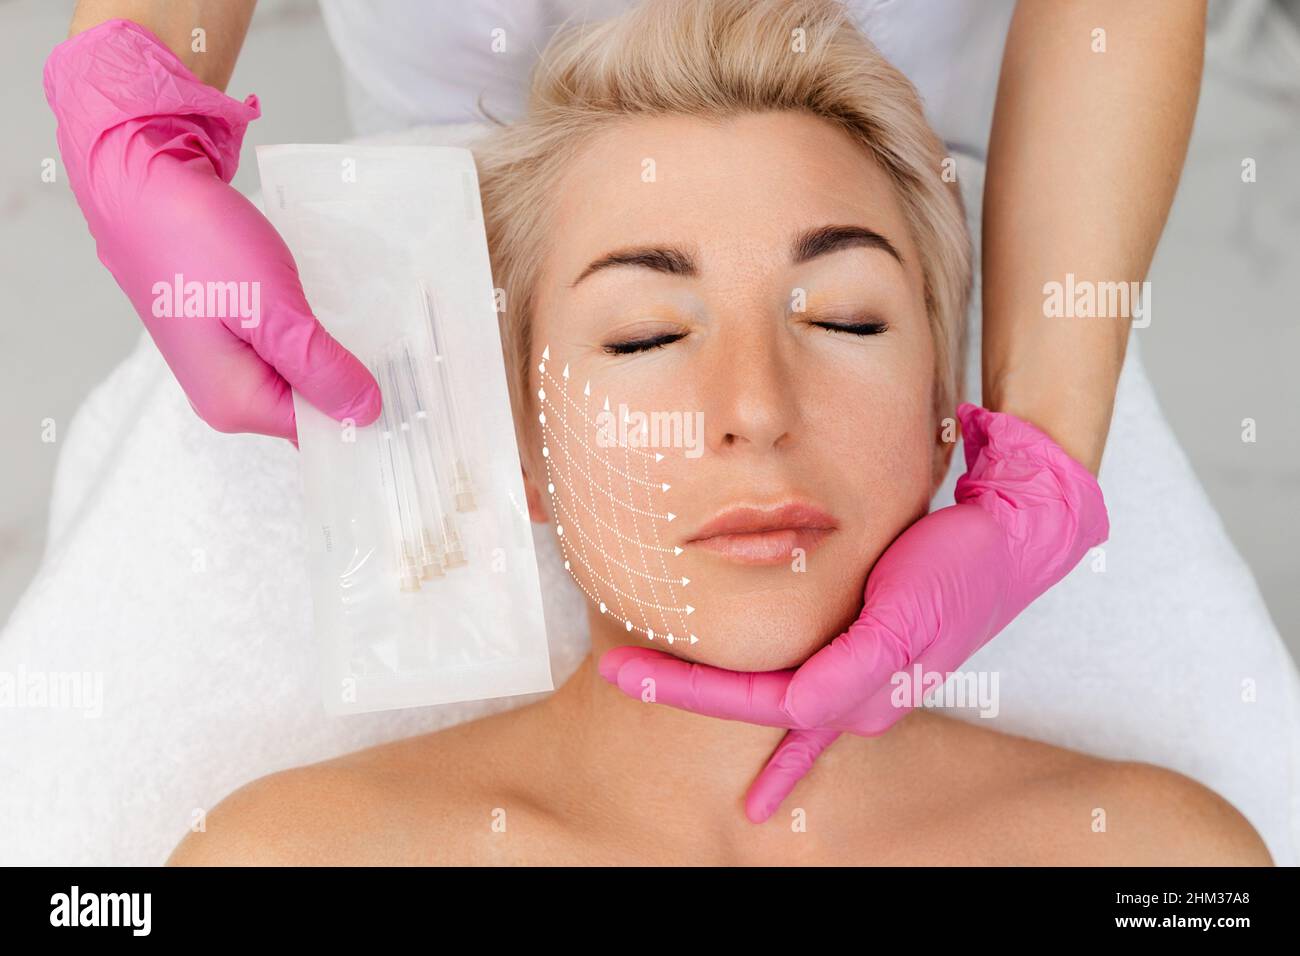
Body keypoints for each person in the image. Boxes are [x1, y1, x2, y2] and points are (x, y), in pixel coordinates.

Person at [165, 0, 1266, 866]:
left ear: (949, 421)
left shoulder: (1160, 863)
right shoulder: (292, 861)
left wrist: (1048, 452)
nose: (754, 409)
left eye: (843, 317)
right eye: (645, 336)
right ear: (522, 445)